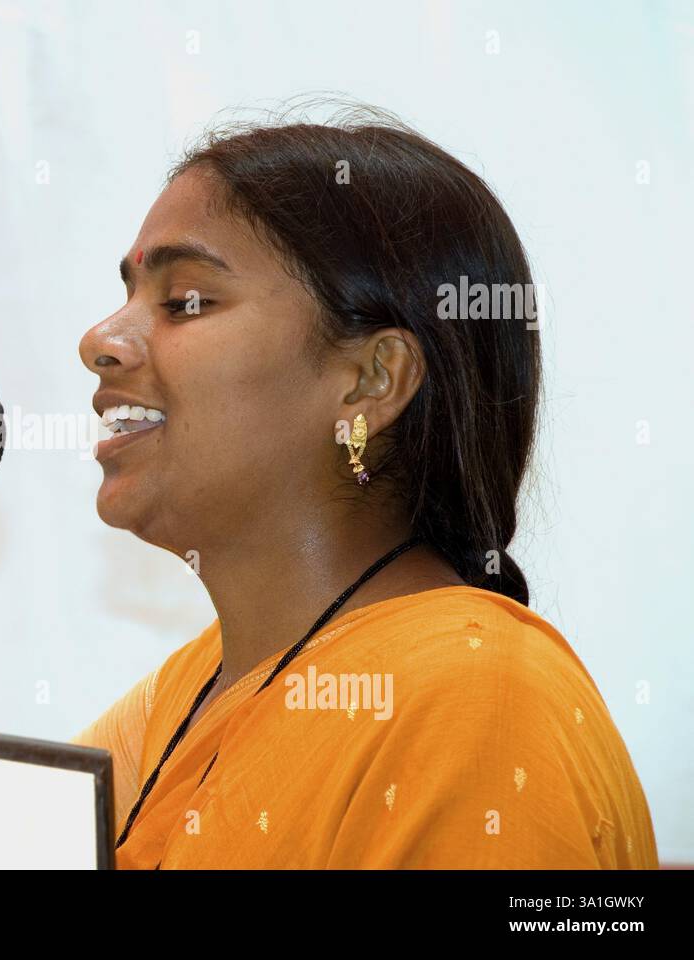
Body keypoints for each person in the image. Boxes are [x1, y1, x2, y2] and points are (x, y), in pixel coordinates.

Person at [73, 107, 658, 869]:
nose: (101, 341)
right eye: (127, 296)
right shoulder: (178, 702)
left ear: (372, 379)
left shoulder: (477, 700)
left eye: (185, 301)